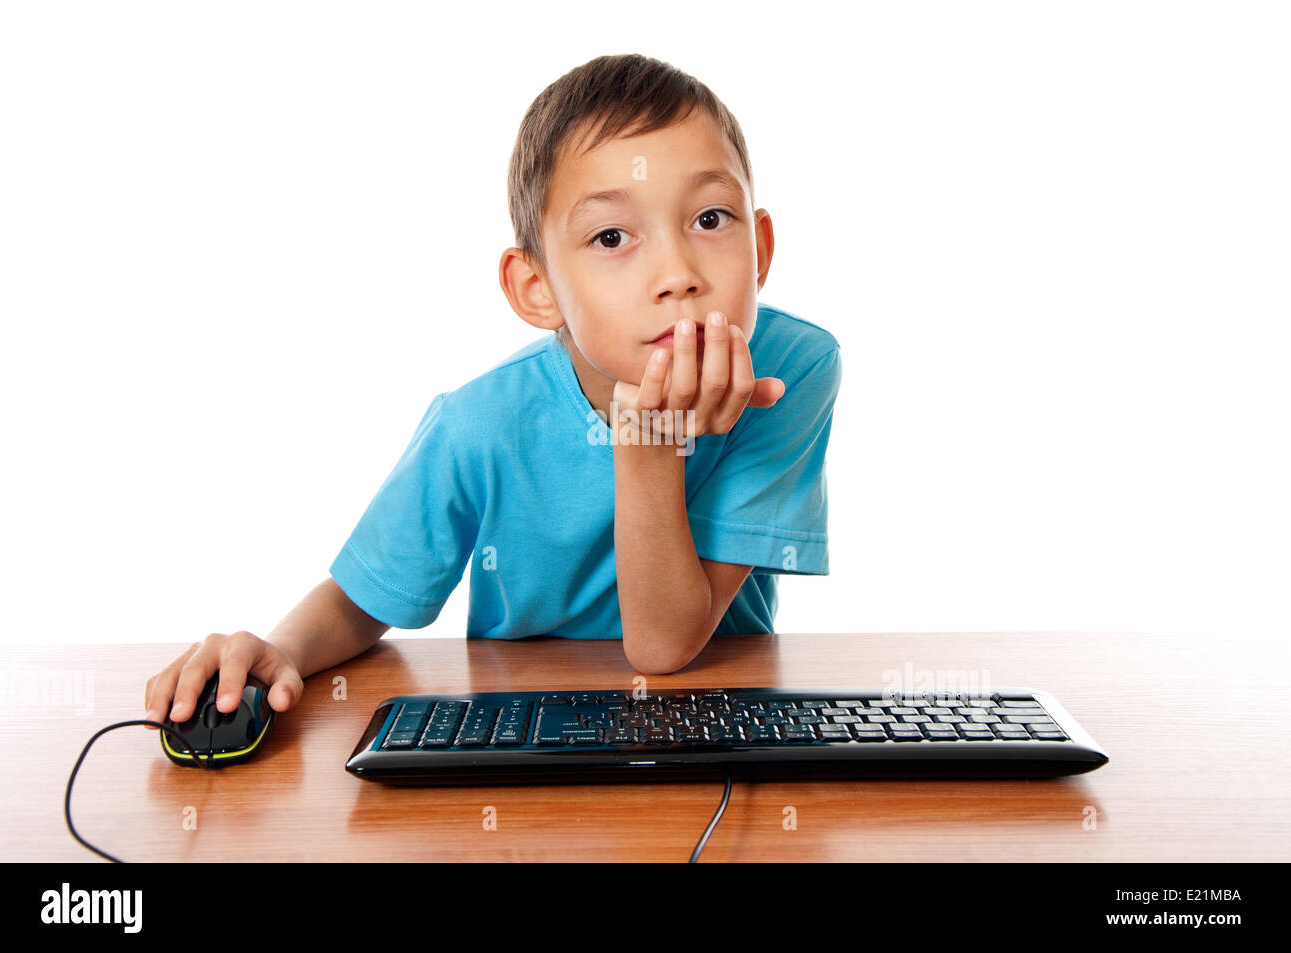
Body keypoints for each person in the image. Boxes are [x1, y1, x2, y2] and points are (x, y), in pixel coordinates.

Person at [143, 53, 841, 729]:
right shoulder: (478, 423)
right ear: (536, 289)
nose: (677, 272)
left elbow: (663, 648)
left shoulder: (793, 370)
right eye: (611, 235)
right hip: (526, 730)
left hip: (714, 719)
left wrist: (649, 447)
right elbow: (364, 597)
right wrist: (280, 651)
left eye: (711, 219)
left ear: (761, 249)